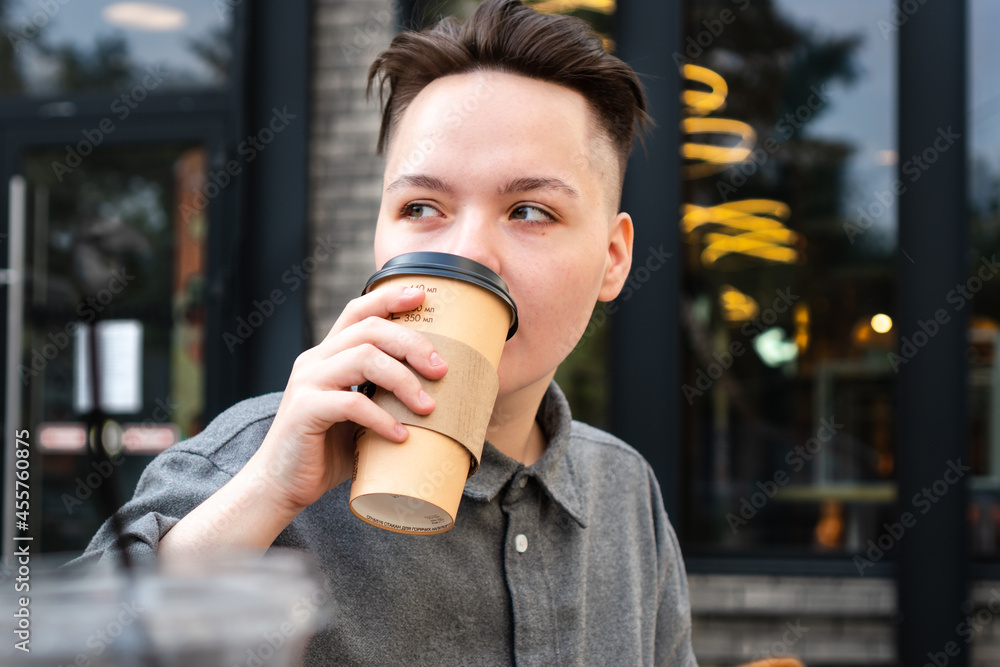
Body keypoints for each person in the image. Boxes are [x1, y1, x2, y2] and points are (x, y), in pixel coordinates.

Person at [77, 0, 697, 663]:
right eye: (422, 206)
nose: (468, 253)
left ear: (613, 257)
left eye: (528, 210)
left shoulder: (625, 489)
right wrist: (267, 493)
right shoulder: (251, 463)